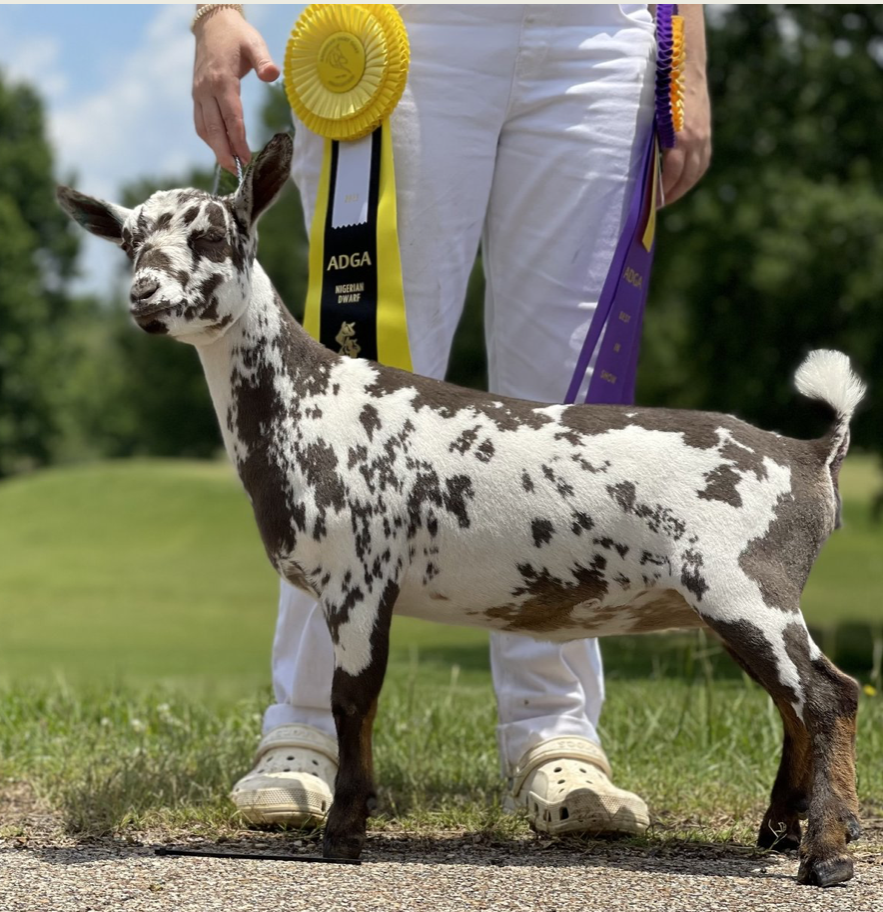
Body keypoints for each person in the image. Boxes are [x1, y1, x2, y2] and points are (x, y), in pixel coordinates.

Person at [192, 3, 711, 835]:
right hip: (400, 38)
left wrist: (685, 62)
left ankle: (555, 730)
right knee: (347, 416)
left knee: (571, 410)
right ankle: (307, 725)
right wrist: (216, 12)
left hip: (601, 41)